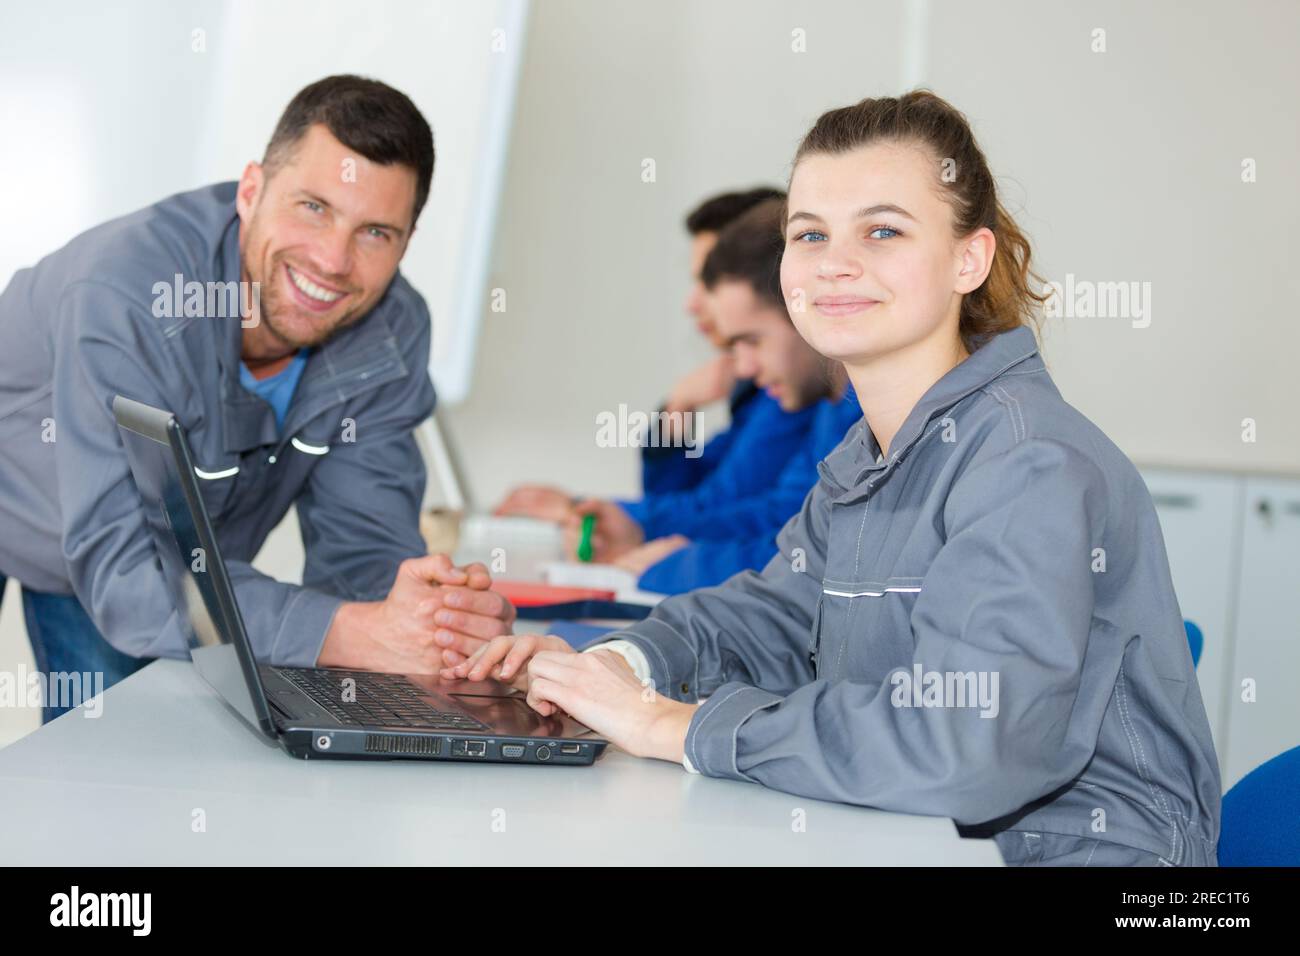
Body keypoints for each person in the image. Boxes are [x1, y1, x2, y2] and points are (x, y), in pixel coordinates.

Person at [448, 91, 1221, 867]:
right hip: (924, 839)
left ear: (969, 259)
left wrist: (668, 726)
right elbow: (778, 616)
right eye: (809, 233)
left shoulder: (1029, 463)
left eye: (882, 230)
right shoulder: (870, 454)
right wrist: (622, 665)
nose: (835, 263)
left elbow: (965, 750)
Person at [0, 75, 510, 721]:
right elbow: (130, 577)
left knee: (127, 769)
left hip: (136, 557)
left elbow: (364, 545)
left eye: (375, 232)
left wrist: (427, 625)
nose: (332, 259)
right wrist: (347, 633)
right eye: (313, 207)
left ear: (406, 243)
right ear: (251, 191)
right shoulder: (132, 294)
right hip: (98, 539)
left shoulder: (393, 329)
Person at [564, 199, 860, 594]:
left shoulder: (820, 398)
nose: (694, 302)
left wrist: (670, 556)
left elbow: (816, 555)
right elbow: (770, 512)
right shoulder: (820, 399)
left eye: (707, 281)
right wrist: (637, 524)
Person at [495, 188, 814, 530]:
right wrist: (677, 409)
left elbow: (721, 507)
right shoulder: (760, 390)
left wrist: (590, 513)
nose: (691, 304)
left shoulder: (794, 392)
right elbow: (680, 492)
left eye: (709, 282)